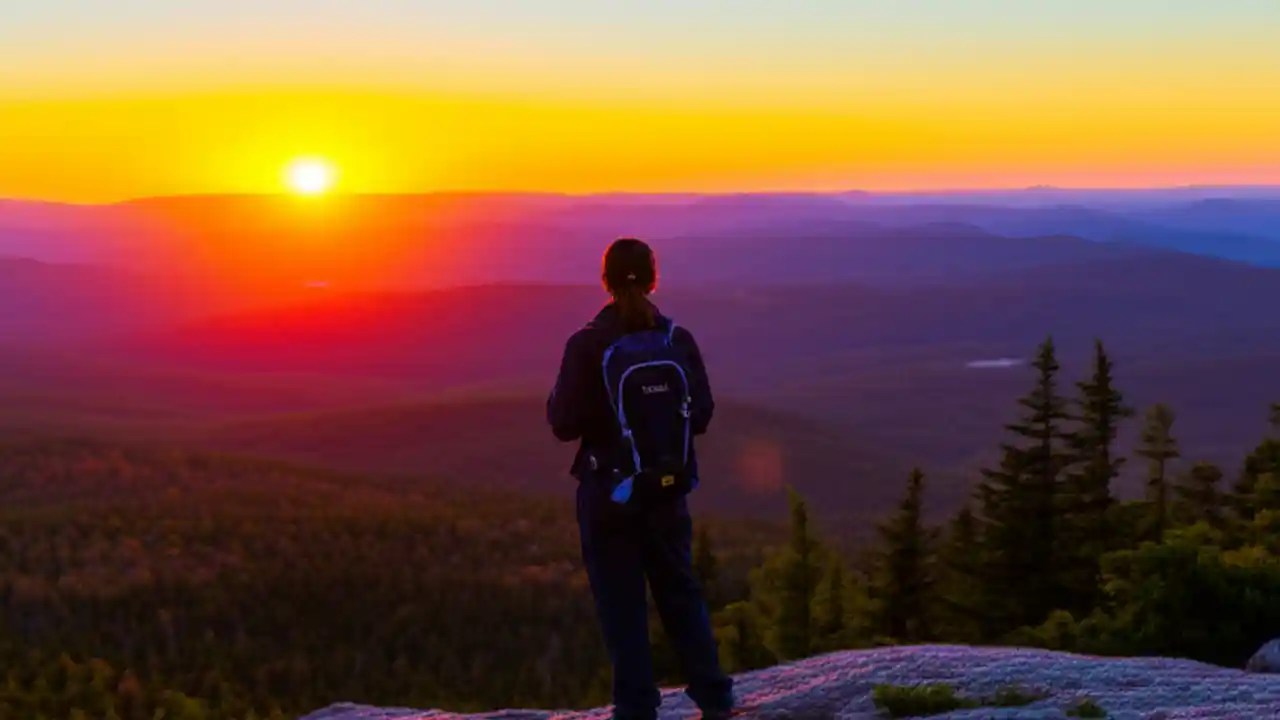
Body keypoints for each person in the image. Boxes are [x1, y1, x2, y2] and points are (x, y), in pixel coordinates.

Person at [547, 238, 734, 720]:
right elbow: (704, 415)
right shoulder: (676, 340)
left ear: (605, 280)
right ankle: (713, 695)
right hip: (667, 490)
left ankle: (636, 707)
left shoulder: (587, 343)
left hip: (608, 492)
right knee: (680, 590)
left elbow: (563, 423)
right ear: (653, 278)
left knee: (621, 603)